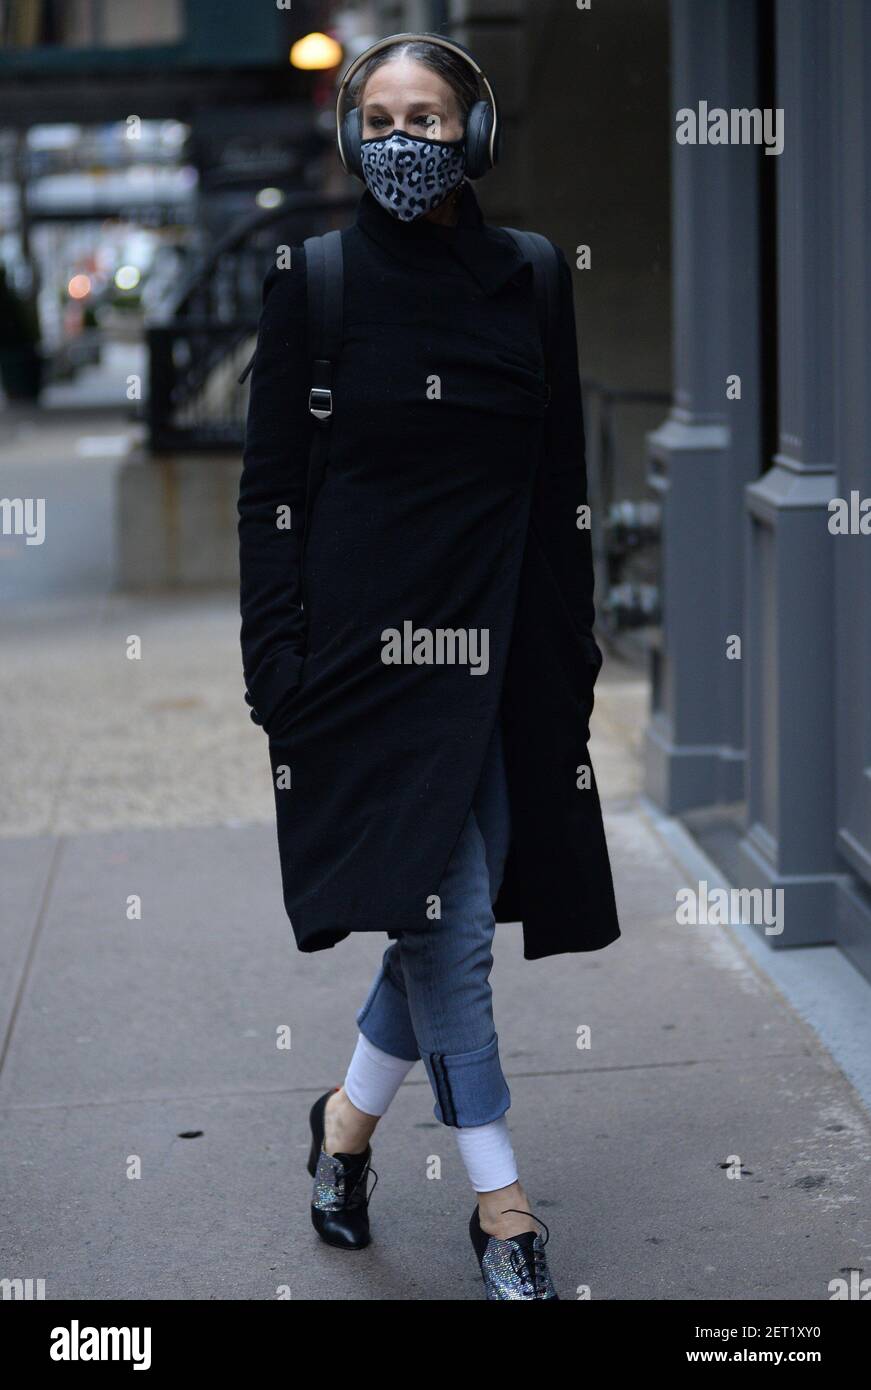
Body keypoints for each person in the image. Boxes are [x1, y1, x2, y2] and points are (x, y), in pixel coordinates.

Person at [237, 32, 620, 1301]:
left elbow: (559, 477)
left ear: (476, 135)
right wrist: (274, 661)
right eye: (383, 118)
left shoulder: (525, 276)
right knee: (448, 933)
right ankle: (502, 1210)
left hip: (502, 658)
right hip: (364, 668)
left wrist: (572, 647)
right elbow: (272, 492)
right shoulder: (319, 280)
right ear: (353, 137)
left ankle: (343, 1130)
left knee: (439, 915)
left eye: (431, 119)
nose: (406, 140)